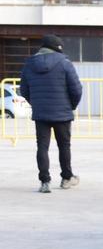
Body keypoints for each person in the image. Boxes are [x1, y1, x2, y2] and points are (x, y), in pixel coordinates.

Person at [20, 34, 82, 193]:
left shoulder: (29, 64)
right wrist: (71, 106)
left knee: (42, 147)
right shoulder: (65, 63)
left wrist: (37, 104)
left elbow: (24, 90)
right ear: (57, 48)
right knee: (64, 146)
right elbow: (76, 89)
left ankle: (44, 182)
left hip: (41, 113)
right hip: (62, 113)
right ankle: (66, 178)